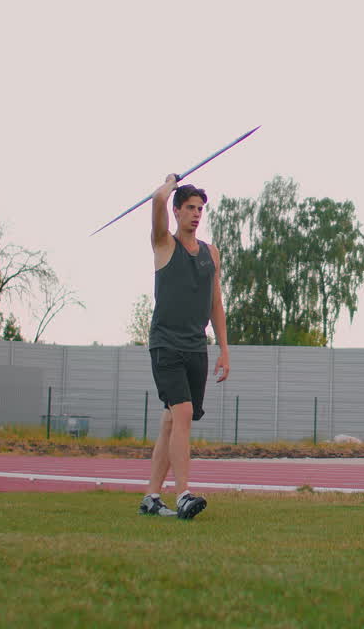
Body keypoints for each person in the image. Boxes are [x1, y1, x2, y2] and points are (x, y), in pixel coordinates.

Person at [138, 173, 230, 520]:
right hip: (166, 345)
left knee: (170, 421)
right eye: (190, 208)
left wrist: (224, 349)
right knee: (183, 414)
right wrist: (169, 183)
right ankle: (183, 495)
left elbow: (216, 302)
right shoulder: (164, 243)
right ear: (177, 210)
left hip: (196, 347)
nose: (196, 214)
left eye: (200, 209)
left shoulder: (211, 253)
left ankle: (151, 497)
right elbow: (156, 201)